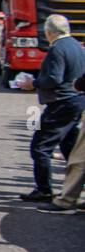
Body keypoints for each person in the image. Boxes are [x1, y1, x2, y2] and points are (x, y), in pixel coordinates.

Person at [19, 15, 85, 202]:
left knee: (40, 147)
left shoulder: (57, 49)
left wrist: (34, 83)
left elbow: (54, 78)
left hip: (61, 103)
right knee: (70, 149)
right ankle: (77, 188)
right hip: (75, 101)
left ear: (49, 32)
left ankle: (44, 190)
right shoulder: (76, 45)